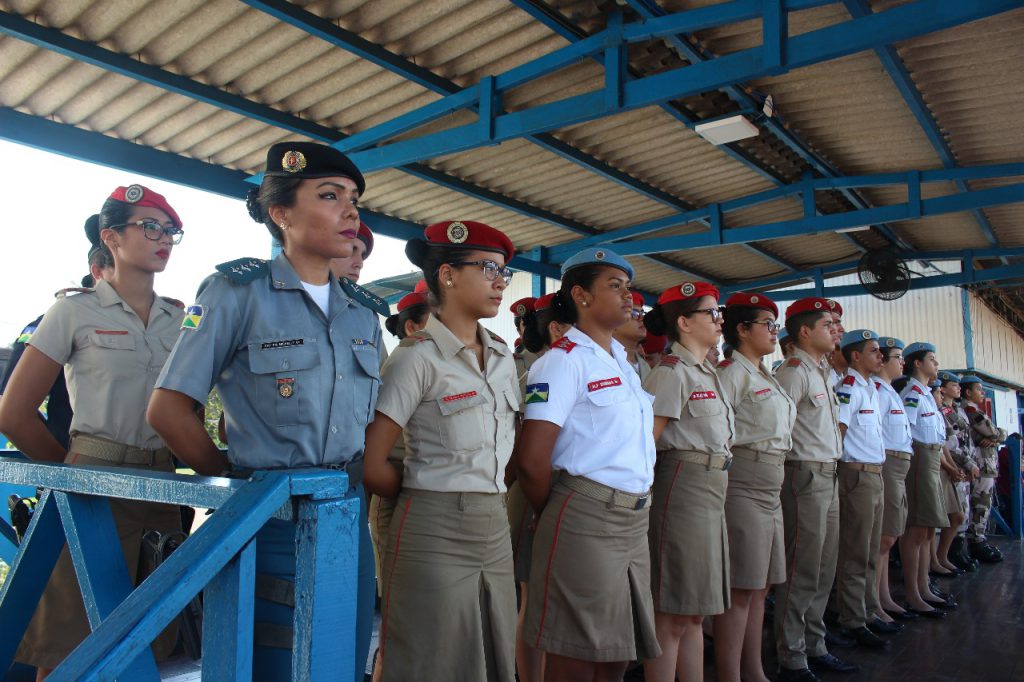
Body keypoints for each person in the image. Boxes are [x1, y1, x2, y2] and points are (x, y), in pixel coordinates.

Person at [147, 142, 387, 681]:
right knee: (276, 664)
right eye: (330, 196)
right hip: (271, 519)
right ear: (281, 213)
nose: (350, 211)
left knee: (342, 660)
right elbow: (168, 409)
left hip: (347, 515)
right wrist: (234, 482)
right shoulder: (235, 293)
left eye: (353, 199)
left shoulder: (362, 314)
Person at [0, 185, 187, 680]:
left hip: (163, 485)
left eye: (171, 231)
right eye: (150, 226)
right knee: (67, 641)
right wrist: (71, 472)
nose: (163, 238)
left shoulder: (181, 319)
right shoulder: (73, 312)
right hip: (91, 486)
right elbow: (14, 413)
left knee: (149, 640)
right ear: (111, 237)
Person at [362, 220, 520, 682]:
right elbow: (372, 462)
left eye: (504, 272)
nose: (500, 282)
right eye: (488, 268)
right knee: (429, 658)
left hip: (494, 524)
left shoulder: (502, 357)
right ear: (447, 275)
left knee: (493, 649)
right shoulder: (416, 357)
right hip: (433, 528)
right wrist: (423, 494)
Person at [516, 247, 660, 682]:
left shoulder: (623, 362)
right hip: (585, 515)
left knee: (617, 653)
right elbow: (532, 460)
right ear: (580, 295)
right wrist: (553, 510)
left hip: (633, 518)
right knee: (576, 656)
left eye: (628, 287)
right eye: (615, 286)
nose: (628, 296)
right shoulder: (561, 362)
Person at [641, 281, 733, 682]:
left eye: (718, 312)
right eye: (710, 313)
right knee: (674, 610)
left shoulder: (705, 371)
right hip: (682, 490)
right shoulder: (671, 373)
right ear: (683, 322)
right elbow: (646, 444)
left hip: (710, 489)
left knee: (694, 612)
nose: (719, 320)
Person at [713, 292, 795, 682]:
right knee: (742, 588)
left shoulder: (765, 374)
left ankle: (754, 669)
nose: (774, 331)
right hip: (744, 483)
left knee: (761, 587)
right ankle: (730, 674)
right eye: (768, 324)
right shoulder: (731, 373)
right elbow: (717, 433)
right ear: (743, 330)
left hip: (772, 484)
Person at [773, 297, 855, 681]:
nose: (836, 330)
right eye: (827, 324)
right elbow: (778, 429)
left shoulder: (822, 371)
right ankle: (791, 655)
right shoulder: (793, 372)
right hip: (804, 474)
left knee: (824, 567)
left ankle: (814, 644)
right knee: (802, 567)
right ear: (804, 332)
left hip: (829, 472)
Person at [0, 216, 114, 451]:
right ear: (98, 273)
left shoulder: (154, 325)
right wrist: (62, 462)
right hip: (73, 461)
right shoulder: (51, 324)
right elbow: (10, 408)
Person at [507, 291, 567, 682]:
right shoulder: (541, 371)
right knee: (534, 596)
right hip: (535, 488)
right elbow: (525, 447)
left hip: (561, 488)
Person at [833, 330, 890, 649]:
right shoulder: (849, 389)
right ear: (855, 356)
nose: (881, 356)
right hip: (856, 476)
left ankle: (868, 611)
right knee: (855, 551)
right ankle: (853, 619)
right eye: (874, 351)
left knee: (869, 550)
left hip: (874, 474)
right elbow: (838, 431)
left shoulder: (869, 389)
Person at [897, 342, 952, 617]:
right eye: (932, 359)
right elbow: (905, 428)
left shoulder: (926, 394)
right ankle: (913, 594)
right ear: (917, 363)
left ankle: (924, 586)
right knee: (917, 528)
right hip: (920, 458)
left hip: (931, 458)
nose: (936, 364)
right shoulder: (912, 393)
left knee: (928, 529)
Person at [867, 338, 915, 625]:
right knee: (883, 539)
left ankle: (883, 597)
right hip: (885, 465)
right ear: (883, 361)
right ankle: (874, 602)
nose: (902, 362)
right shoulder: (877, 391)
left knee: (889, 537)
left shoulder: (890, 391)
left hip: (897, 466)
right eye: (898, 357)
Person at [961, 375, 1007, 563]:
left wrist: (994, 439)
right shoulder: (970, 410)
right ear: (968, 392)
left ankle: (977, 540)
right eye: (979, 389)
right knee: (980, 505)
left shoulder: (972, 409)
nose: (982, 392)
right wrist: (998, 436)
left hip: (983, 464)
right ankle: (977, 542)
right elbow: (994, 432)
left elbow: (993, 436)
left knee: (981, 505)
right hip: (981, 465)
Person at [933, 371, 972, 575]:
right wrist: (956, 466)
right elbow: (946, 442)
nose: (958, 388)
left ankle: (943, 556)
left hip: (953, 466)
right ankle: (934, 562)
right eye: (953, 385)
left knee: (958, 515)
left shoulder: (955, 410)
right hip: (942, 467)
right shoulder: (940, 411)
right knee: (936, 520)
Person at [614, 291, 651, 380]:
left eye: (642, 313)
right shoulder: (604, 360)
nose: (642, 318)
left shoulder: (644, 365)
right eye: (634, 313)